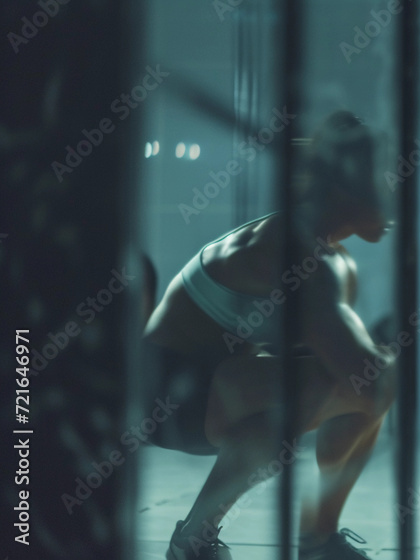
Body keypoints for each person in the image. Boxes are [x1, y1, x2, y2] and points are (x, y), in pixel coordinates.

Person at [141, 111, 394, 560]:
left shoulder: (330, 259)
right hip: (162, 396)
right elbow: (363, 372)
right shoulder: (295, 253)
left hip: (214, 389)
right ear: (349, 186)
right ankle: (199, 538)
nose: (398, 199)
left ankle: (318, 536)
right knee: (347, 381)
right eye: (389, 180)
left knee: (350, 387)